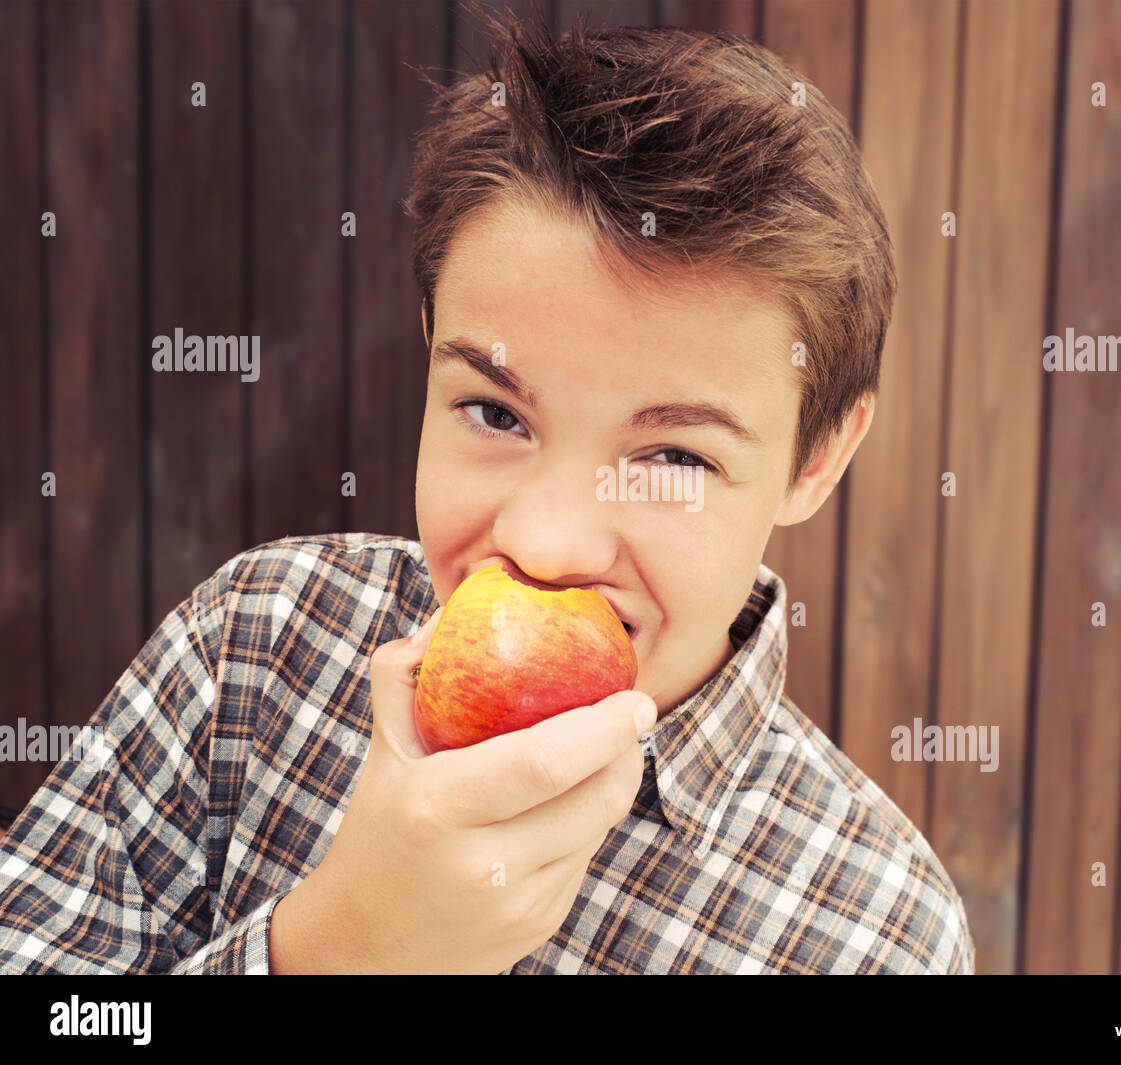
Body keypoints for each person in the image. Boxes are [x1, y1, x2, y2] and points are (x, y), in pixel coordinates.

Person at [0, 9, 974, 974]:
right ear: (431, 346)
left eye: (675, 459)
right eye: (495, 413)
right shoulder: (253, 650)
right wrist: (334, 954)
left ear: (817, 459)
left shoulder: (881, 938)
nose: (545, 545)